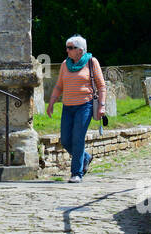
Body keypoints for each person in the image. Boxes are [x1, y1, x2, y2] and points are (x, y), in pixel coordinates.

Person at [45, 35, 106, 183]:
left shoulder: (92, 62)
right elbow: (59, 85)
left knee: (78, 139)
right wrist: (51, 102)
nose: (67, 50)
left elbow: (101, 86)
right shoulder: (65, 64)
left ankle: (76, 173)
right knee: (66, 140)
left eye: (71, 48)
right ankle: (85, 157)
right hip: (67, 107)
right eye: (67, 47)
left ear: (80, 50)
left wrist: (102, 106)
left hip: (85, 105)